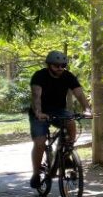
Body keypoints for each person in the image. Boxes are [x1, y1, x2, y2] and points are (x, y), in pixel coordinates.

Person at [29, 50, 91, 188]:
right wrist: (38, 112)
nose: (60, 68)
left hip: (58, 110)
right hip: (40, 111)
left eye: (63, 65)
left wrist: (87, 109)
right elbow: (36, 96)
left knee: (71, 122)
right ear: (49, 65)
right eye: (56, 66)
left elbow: (79, 94)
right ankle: (36, 174)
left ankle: (67, 152)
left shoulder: (68, 76)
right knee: (40, 142)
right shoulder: (39, 76)